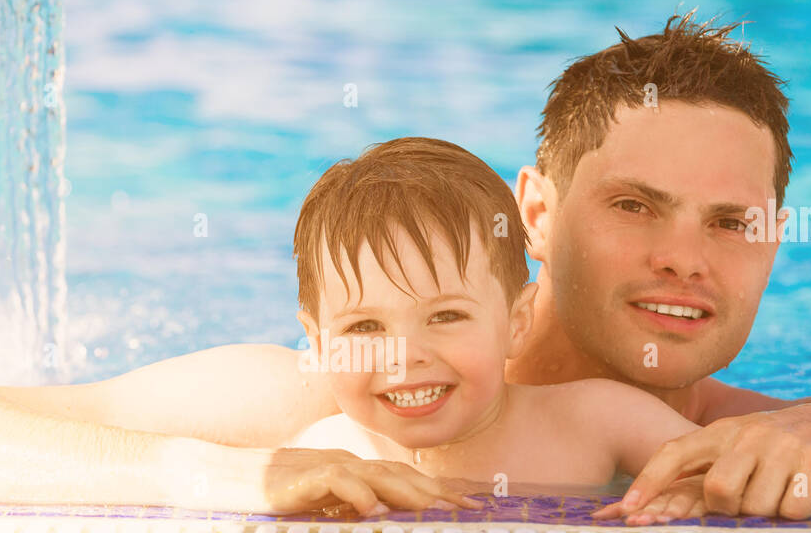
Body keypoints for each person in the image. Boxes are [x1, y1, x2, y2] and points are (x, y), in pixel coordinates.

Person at [0, 14, 811, 519]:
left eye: (729, 221)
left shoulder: (760, 437)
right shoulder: (324, 401)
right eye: (635, 204)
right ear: (533, 210)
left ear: (775, 239)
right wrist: (225, 478)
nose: (681, 260)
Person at [284, 136, 700, 502]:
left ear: (516, 323)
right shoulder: (321, 455)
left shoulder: (597, 423)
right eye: (365, 326)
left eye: (446, 315)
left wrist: (691, 489)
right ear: (320, 346)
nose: (404, 357)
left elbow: (731, 463)